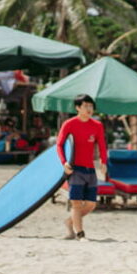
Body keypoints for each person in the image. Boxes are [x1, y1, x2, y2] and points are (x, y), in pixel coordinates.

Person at [56, 94, 107, 241]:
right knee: (76, 203)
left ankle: (69, 222)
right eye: (85, 106)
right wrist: (64, 162)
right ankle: (80, 234)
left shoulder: (97, 125)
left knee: (91, 204)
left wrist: (104, 162)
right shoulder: (69, 124)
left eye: (91, 106)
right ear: (78, 108)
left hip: (90, 169)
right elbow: (59, 145)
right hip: (75, 169)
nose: (89, 109)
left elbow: (102, 145)